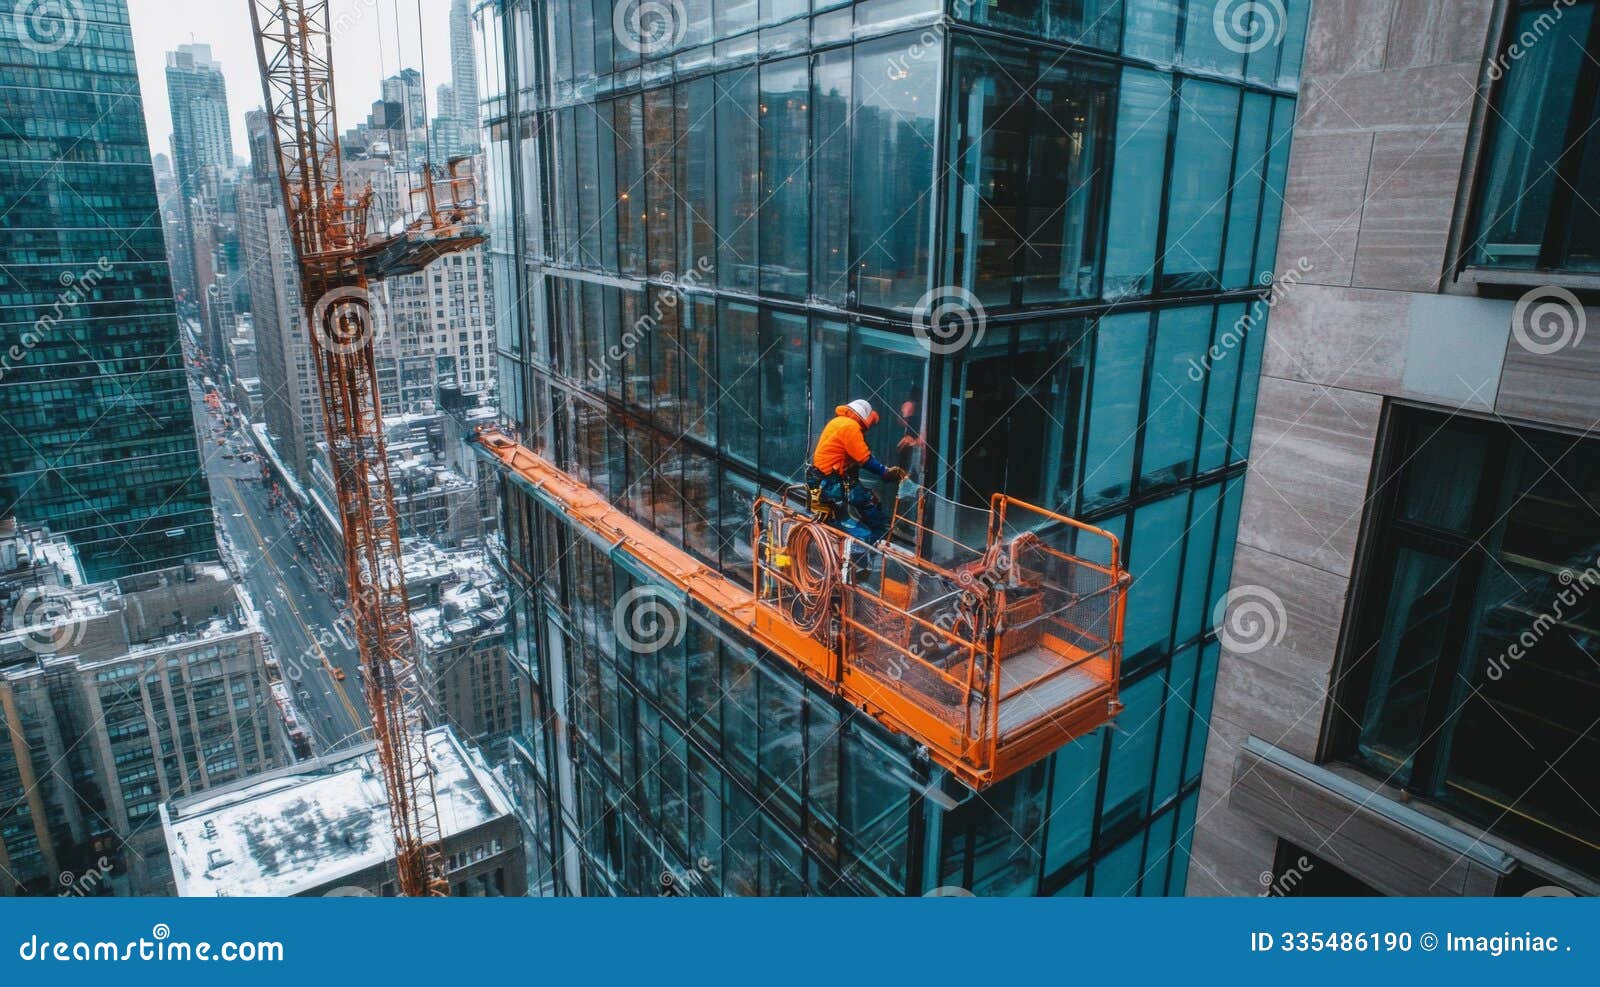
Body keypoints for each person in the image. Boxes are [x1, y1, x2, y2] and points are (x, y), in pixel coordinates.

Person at [808, 399, 907, 544]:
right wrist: (885, 472)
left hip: (822, 479)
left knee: (855, 507)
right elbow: (864, 459)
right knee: (856, 517)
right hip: (831, 482)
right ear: (864, 418)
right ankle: (864, 549)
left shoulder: (838, 421)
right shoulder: (851, 427)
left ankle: (860, 545)